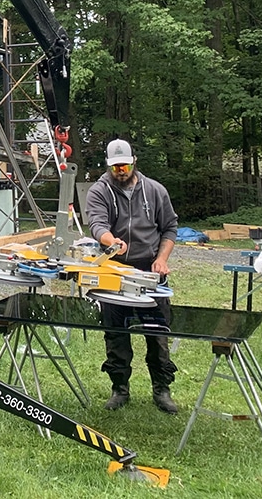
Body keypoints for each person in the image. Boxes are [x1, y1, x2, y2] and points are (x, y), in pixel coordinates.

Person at [84, 138, 180, 414]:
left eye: (124, 165)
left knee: (158, 333)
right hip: (114, 269)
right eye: (115, 166)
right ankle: (119, 388)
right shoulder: (99, 191)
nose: (120, 171)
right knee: (115, 333)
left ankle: (162, 389)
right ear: (108, 165)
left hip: (149, 269)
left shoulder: (155, 191)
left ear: (134, 161)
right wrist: (110, 239)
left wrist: (161, 260)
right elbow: (96, 223)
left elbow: (170, 228)